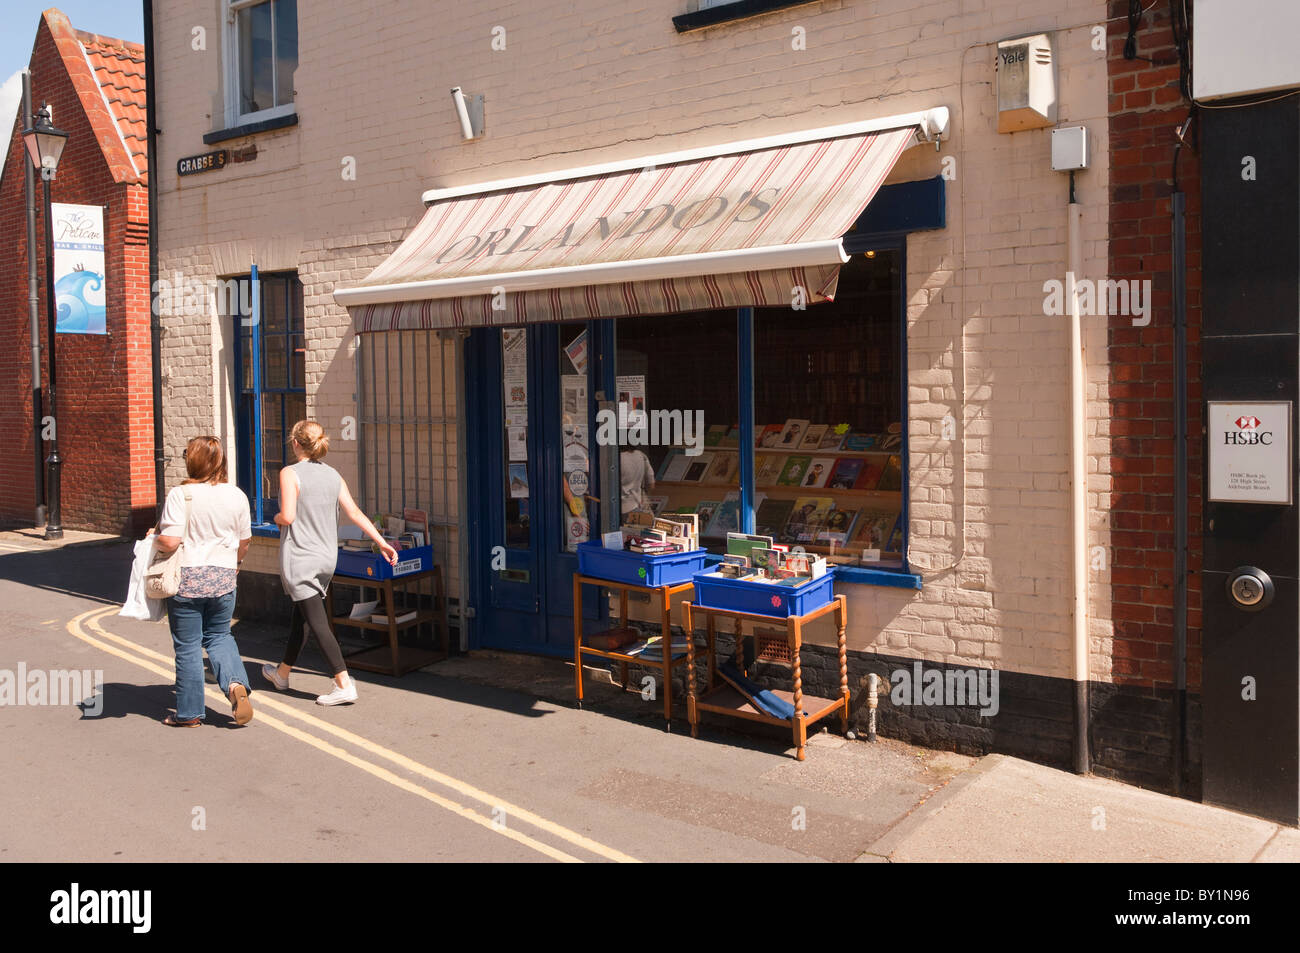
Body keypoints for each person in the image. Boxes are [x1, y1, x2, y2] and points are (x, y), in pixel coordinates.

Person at [264, 420, 396, 706]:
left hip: (301, 558)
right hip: (326, 558)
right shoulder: (333, 475)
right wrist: (381, 541)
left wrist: (273, 518)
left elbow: (287, 516)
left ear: (295, 443)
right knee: (303, 619)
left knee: (318, 622)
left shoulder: (290, 473)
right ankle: (282, 674)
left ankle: (343, 682)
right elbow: (355, 513)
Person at [153, 436, 253, 727]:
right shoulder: (236, 495)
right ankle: (236, 686)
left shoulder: (180, 495)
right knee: (220, 636)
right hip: (223, 577)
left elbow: (170, 541)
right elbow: (244, 541)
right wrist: (236, 564)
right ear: (220, 462)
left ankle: (189, 713)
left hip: (188, 578)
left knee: (188, 646)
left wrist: (154, 539)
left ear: (191, 460)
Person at [620, 446, 655, 521]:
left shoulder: (617, 458)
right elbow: (651, 484)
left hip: (623, 508)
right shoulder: (641, 455)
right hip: (640, 504)